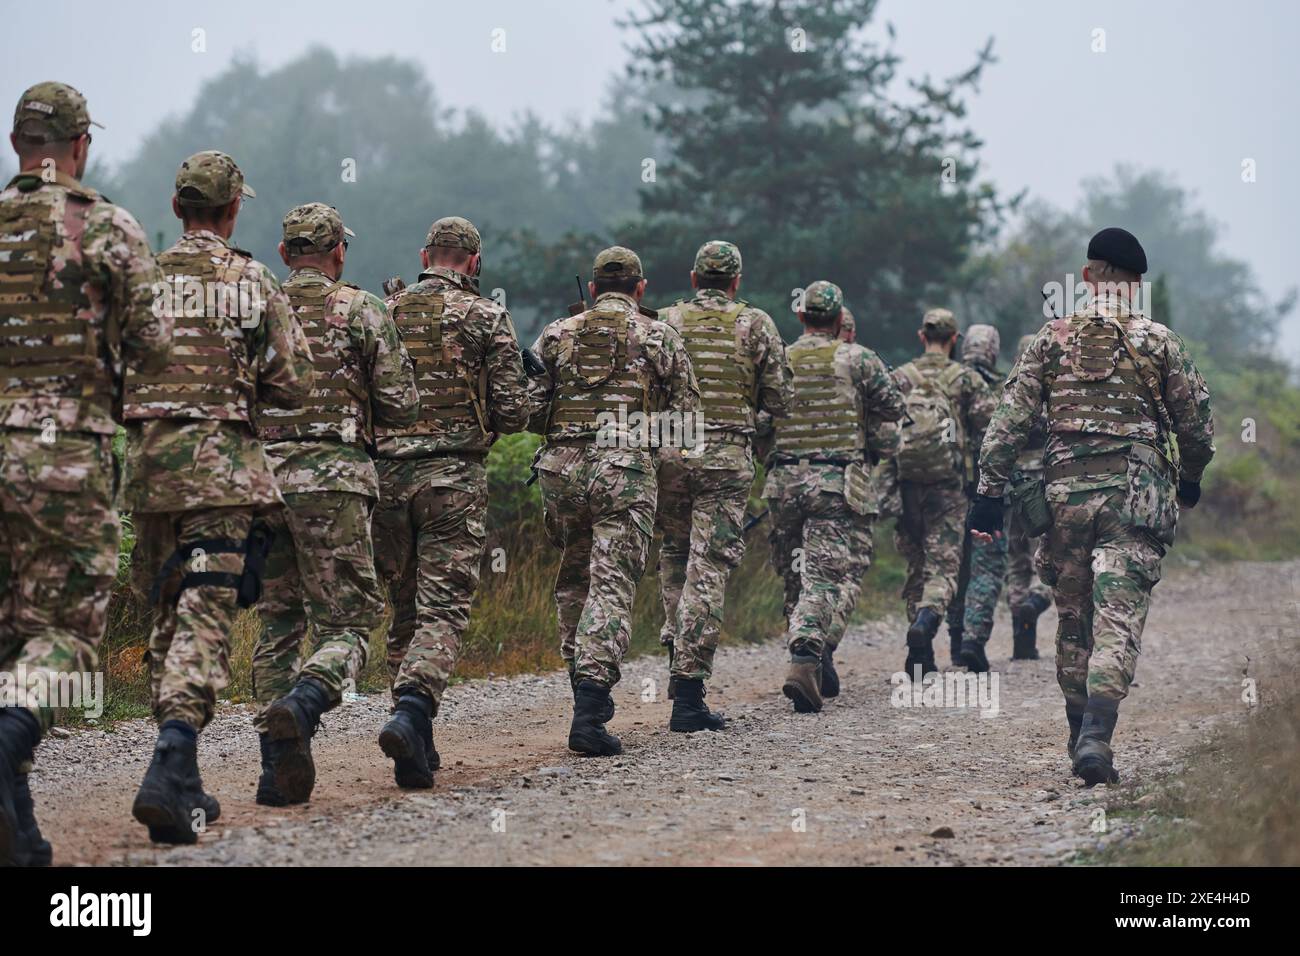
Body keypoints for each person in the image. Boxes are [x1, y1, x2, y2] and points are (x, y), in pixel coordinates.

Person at [970, 227, 1215, 785]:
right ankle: (1097, 739)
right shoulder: (1160, 342)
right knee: (1117, 618)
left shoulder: (1048, 340)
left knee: (1074, 618)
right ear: (1136, 284)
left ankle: (1078, 729)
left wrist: (987, 492)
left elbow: (1008, 424)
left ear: (1087, 277)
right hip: (1135, 498)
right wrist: (1190, 480)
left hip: (1064, 501)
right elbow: (1196, 428)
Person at [0, 82, 173, 865]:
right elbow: (156, 347)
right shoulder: (105, 227)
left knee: (10, 638)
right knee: (64, 636)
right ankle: (8, 741)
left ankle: (19, 823)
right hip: (64, 455)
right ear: (79, 147)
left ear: (14, 145)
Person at [124, 150, 314, 843]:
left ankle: (186, 778)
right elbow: (292, 385)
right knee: (204, 615)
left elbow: (114, 372)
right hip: (221, 473)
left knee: (167, 615)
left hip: (149, 473)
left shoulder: (139, 278)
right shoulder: (253, 281)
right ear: (235, 210)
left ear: (177, 209)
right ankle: (171, 757)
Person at [251, 203, 417, 805]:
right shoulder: (362, 310)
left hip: (262, 480)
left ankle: (277, 766)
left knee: (277, 622)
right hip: (335, 478)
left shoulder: (257, 308)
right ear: (339, 253)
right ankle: (310, 695)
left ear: (283, 253)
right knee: (349, 621)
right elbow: (402, 405)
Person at [372, 217, 528, 789]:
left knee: (405, 606)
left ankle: (416, 738)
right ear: (475, 262)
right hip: (453, 479)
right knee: (443, 609)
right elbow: (512, 414)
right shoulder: (488, 317)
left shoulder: (383, 312)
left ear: (425, 255)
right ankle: (412, 711)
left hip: (386, 478)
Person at [528, 246, 698, 754]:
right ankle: (591, 703)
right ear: (639, 289)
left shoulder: (557, 333)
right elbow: (686, 417)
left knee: (574, 579)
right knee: (611, 585)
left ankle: (581, 686)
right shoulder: (658, 335)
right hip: (622, 471)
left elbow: (530, 410)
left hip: (560, 470)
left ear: (596, 287)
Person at [653, 240, 789, 731]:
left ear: (694, 279)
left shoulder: (666, 318)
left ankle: (676, 650)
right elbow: (779, 399)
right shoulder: (756, 324)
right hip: (727, 457)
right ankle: (688, 693)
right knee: (707, 567)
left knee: (674, 554)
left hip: (670, 450)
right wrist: (751, 422)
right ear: (736, 282)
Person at [766, 281, 904, 712]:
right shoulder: (857, 359)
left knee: (794, 573)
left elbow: (761, 415)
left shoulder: (779, 357)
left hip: (783, 482)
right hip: (833, 484)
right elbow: (894, 407)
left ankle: (805, 650)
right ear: (840, 317)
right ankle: (807, 656)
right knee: (824, 576)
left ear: (801, 315)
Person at [890, 309, 994, 677]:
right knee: (944, 566)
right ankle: (928, 620)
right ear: (954, 340)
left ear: (922, 336)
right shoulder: (965, 379)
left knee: (917, 563)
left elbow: (880, 426)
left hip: (906, 485)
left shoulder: (900, 377)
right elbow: (990, 430)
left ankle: (919, 657)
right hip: (949, 487)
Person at [945, 323, 1006, 672]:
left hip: (948, 490)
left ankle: (955, 639)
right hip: (988, 494)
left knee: (958, 565)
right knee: (988, 565)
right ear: (993, 350)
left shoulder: (947, 380)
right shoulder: (998, 386)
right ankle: (973, 639)